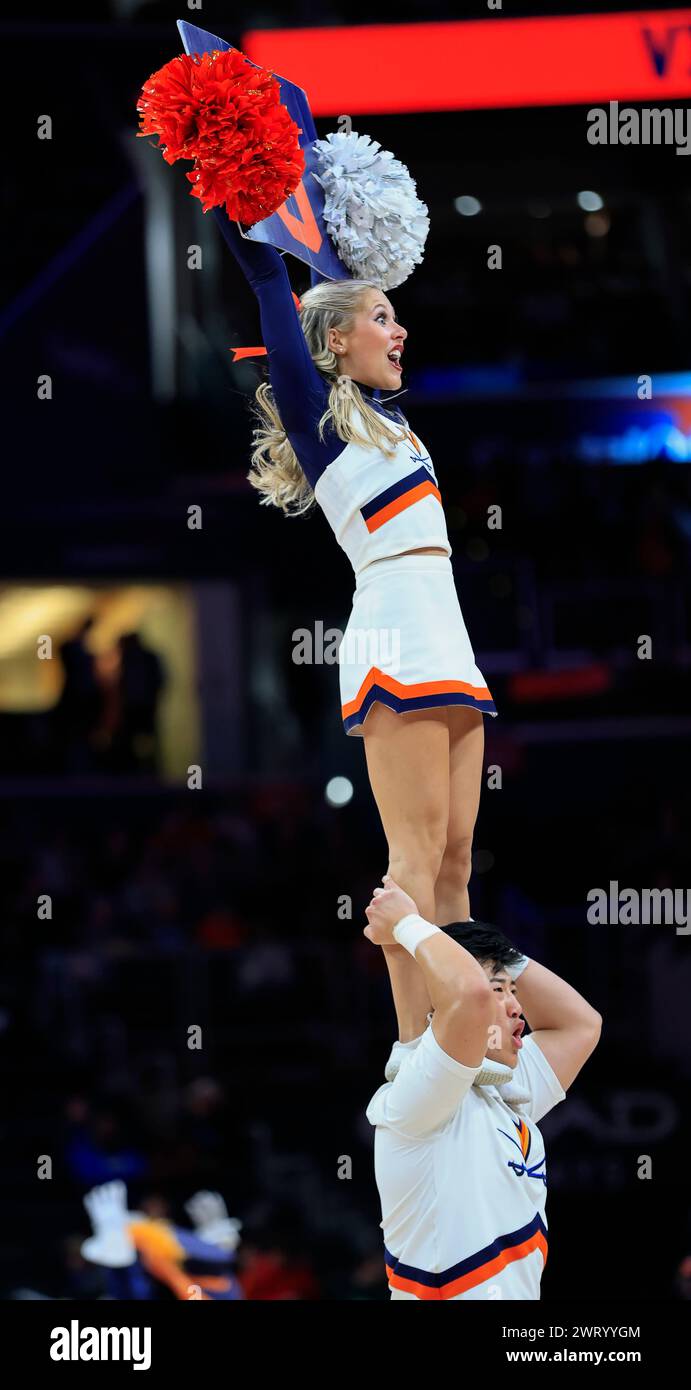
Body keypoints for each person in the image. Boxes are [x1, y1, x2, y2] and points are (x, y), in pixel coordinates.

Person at [214, 210, 496, 922]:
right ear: (336, 340)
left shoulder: (388, 420)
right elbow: (269, 277)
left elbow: (321, 268)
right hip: (392, 626)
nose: (399, 330)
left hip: (445, 627)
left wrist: (331, 205)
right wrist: (226, 173)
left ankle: (460, 1030)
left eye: (395, 317)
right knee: (414, 859)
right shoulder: (322, 425)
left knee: (456, 860)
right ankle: (412, 1037)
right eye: (381, 316)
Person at [363, 875, 602, 1300]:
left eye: (513, 989)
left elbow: (581, 1023)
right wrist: (405, 924)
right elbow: (468, 997)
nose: (518, 1006)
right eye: (500, 990)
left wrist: (489, 952)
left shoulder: (504, 1093)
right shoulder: (419, 1097)